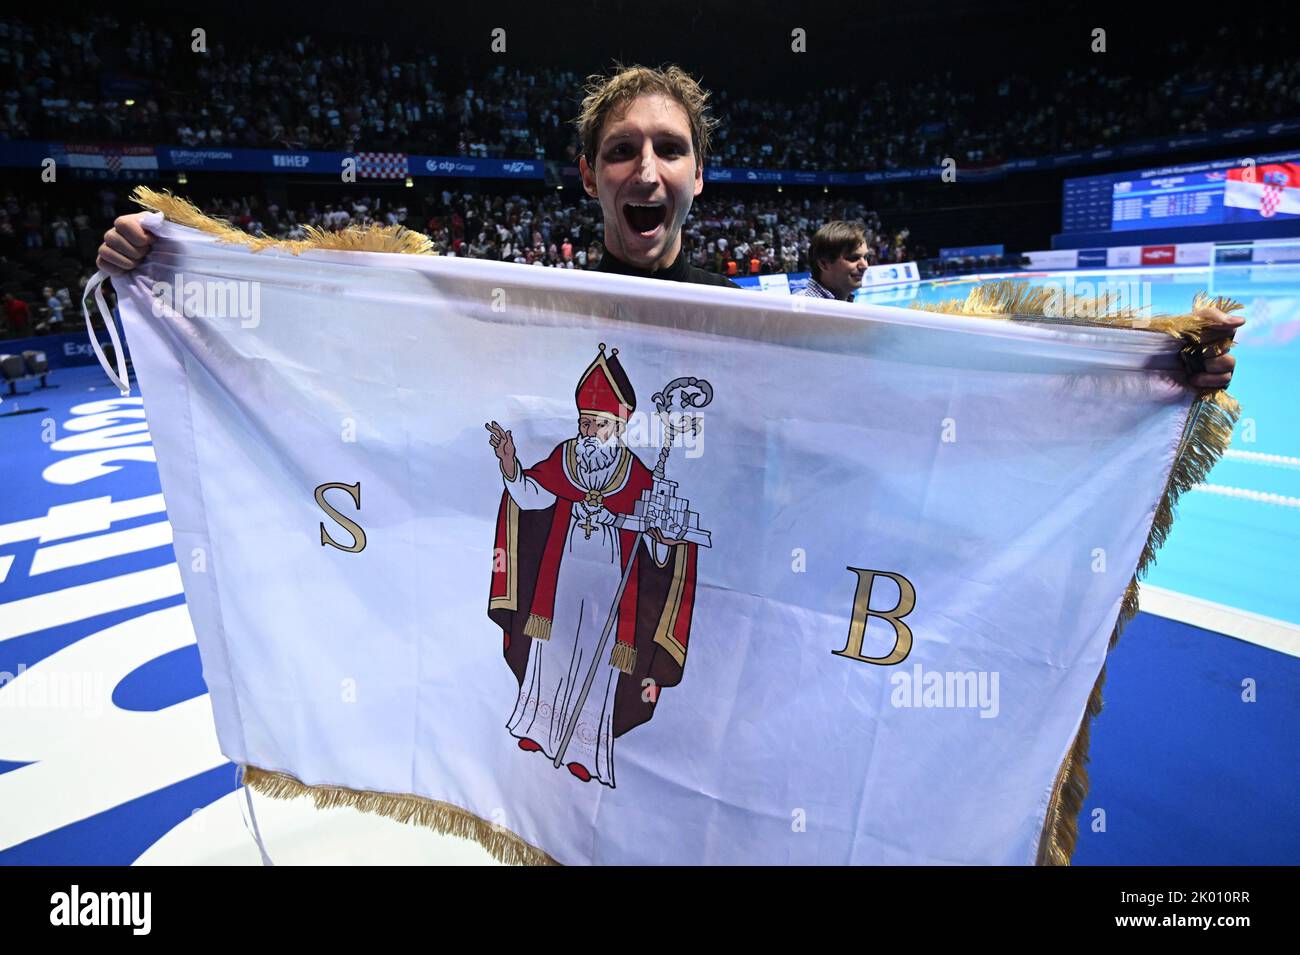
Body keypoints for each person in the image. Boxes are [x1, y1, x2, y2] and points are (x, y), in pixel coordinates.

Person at [95, 65, 1239, 385]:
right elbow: (349, 352)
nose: (646, 168)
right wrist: (172, 276)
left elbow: (942, 386)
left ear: (699, 175)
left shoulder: (763, 329)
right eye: (621, 150)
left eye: (669, 148)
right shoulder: (518, 309)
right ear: (588, 177)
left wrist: (1138, 371)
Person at [798, 220, 869, 301]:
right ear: (824, 264)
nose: (865, 266)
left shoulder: (845, 302)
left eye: (866, 257)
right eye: (853, 258)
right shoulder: (801, 306)